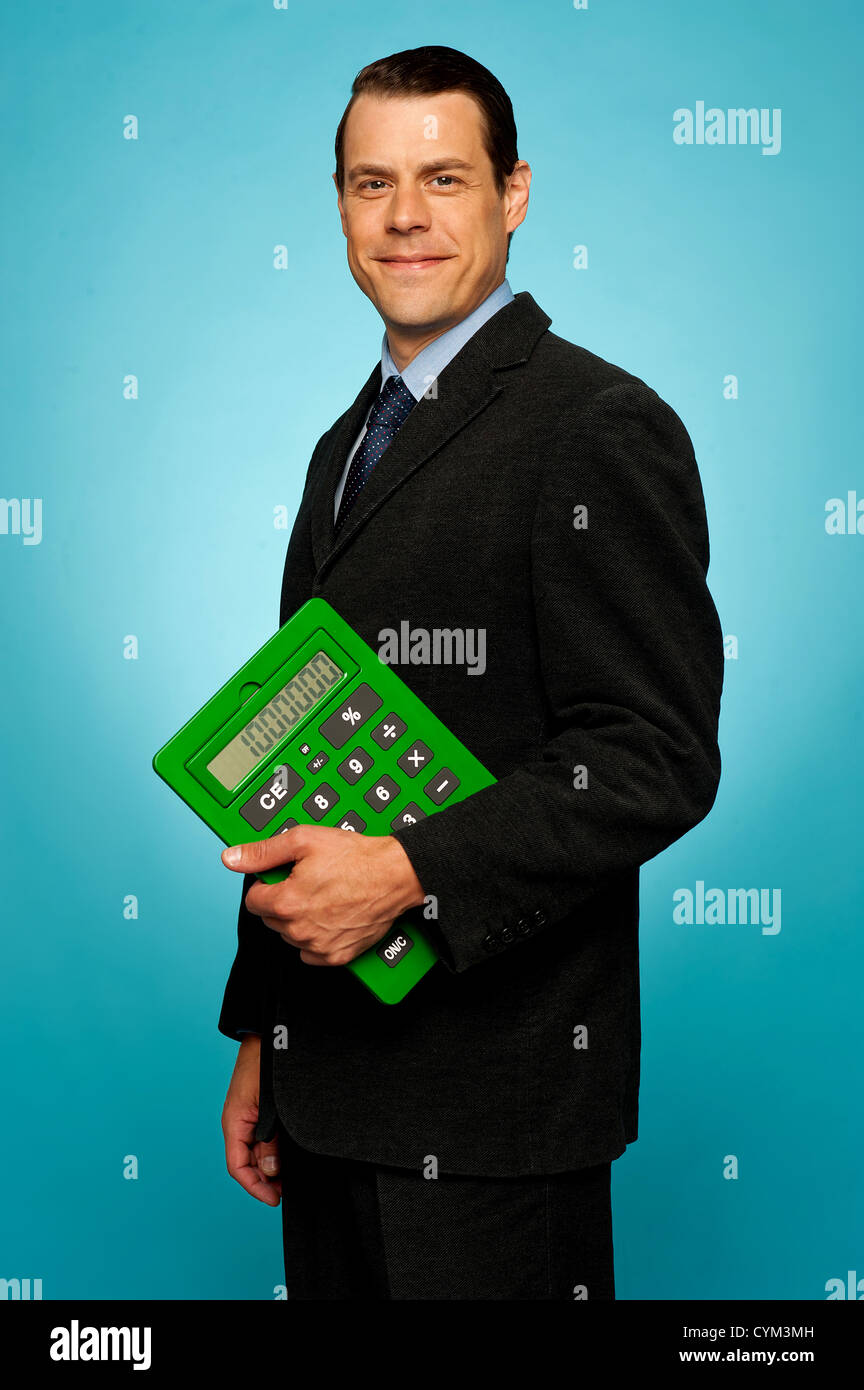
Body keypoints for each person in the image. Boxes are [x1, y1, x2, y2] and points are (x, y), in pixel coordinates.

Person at [217, 45, 724, 1300]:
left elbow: (653, 754)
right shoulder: (349, 441)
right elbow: (307, 755)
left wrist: (405, 873)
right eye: (370, 182)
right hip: (330, 1086)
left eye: (444, 178)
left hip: (497, 1108)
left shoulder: (595, 424)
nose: (404, 217)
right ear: (337, 202)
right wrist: (263, 1036)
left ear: (515, 194)